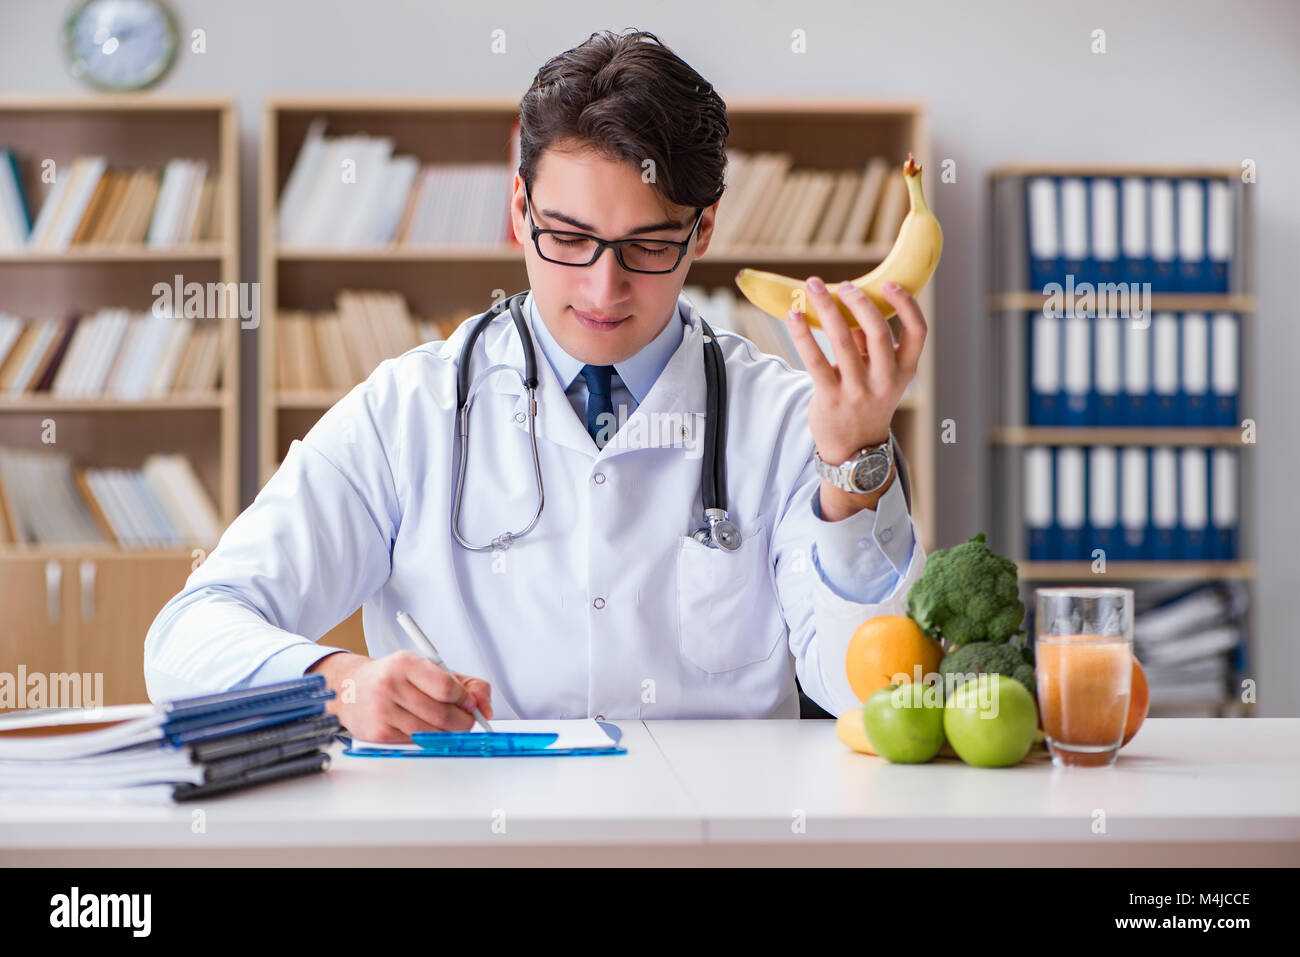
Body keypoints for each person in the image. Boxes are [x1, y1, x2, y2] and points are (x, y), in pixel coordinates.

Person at [144, 29, 929, 742]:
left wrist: (853, 467)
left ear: (704, 230)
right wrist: (337, 683)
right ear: (519, 212)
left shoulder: (790, 421)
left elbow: (874, 693)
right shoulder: (408, 413)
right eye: (569, 237)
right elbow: (186, 638)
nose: (602, 288)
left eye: (648, 245)